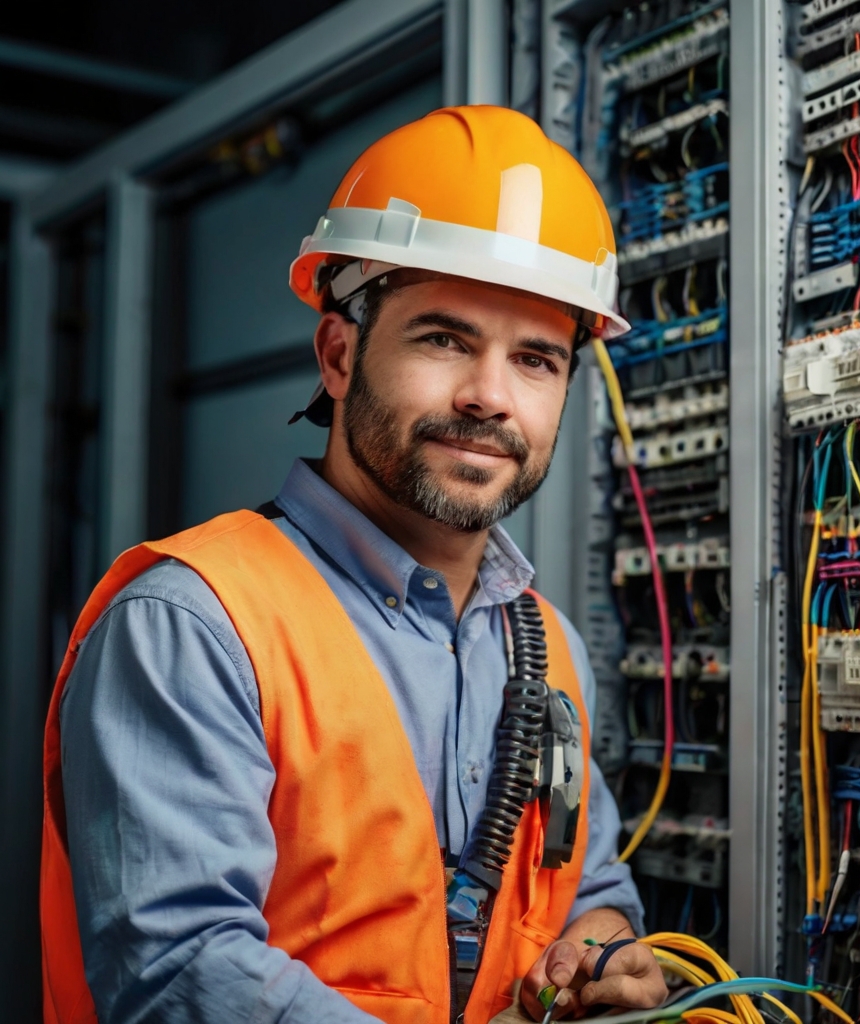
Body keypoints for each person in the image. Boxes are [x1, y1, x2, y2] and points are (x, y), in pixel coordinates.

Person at [40, 105, 668, 1024]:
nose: (489, 396)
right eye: (444, 338)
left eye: (535, 359)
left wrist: (608, 951)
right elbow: (179, 974)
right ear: (339, 354)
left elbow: (586, 882)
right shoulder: (195, 623)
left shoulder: (550, 644)